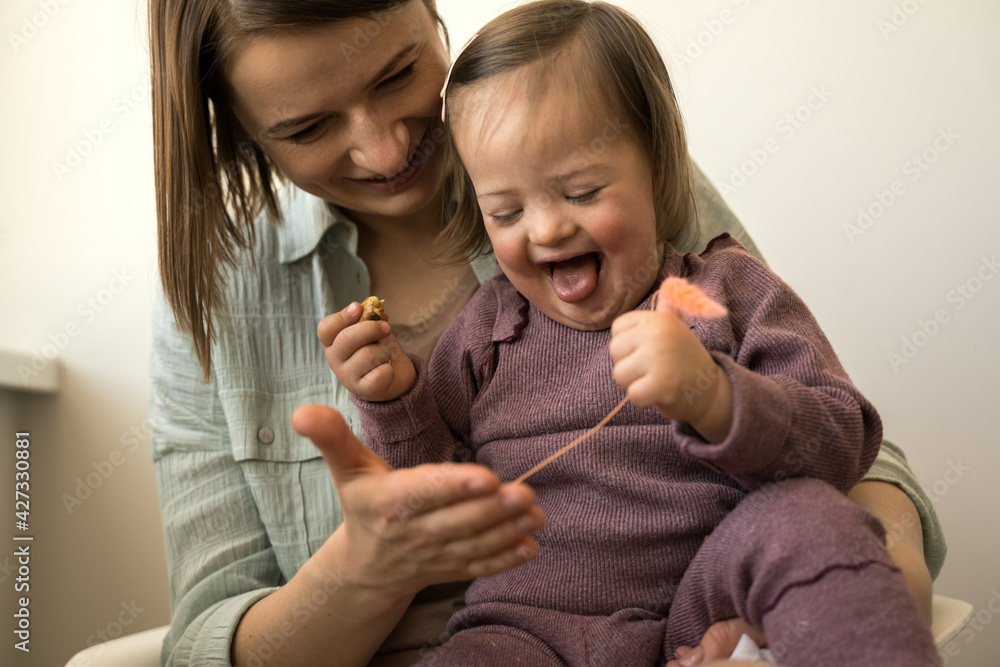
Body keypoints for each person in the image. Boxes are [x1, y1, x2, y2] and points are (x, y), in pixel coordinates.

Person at [146, 0, 945, 665]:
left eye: (396, 75)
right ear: (240, 131)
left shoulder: (691, 260)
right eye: (307, 126)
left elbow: (850, 452)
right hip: (518, 628)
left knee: (806, 519)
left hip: (709, 595)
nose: (386, 148)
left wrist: (786, 633)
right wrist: (391, 419)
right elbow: (428, 478)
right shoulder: (477, 331)